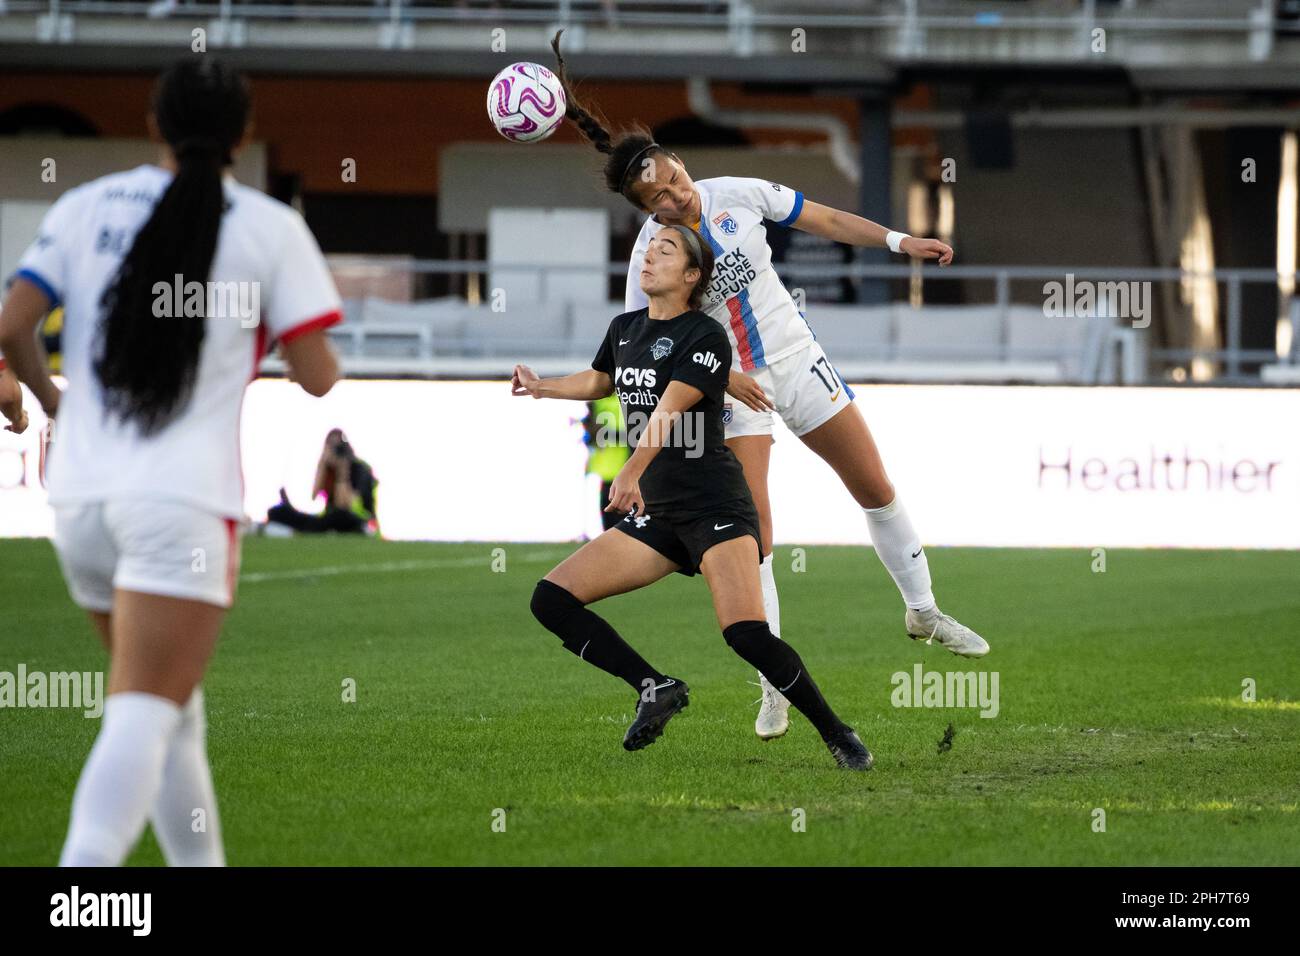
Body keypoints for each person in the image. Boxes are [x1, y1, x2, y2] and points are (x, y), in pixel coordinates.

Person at [550, 30, 988, 744]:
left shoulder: (738, 195)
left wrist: (901, 243)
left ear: (678, 159)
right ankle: (774, 687)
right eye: (656, 195)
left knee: (874, 486)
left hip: (797, 358)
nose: (672, 190)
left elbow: (826, 218)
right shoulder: (652, 259)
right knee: (753, 534)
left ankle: (923, 609)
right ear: (646, 209)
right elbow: (656, 352)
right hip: (730, 392)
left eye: (670, 173)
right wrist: (718, 383)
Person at [0, 57, 343, 866]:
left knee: (169, 709)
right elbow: (320, 376)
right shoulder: (266, 225)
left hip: (80, 499)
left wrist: (49, 403)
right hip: (180, 506)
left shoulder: (85, 205)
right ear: (244, 134)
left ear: (154, 123)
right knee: (144, 711)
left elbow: (14, 323)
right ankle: (82, 891)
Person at [513, 222, 872, 770]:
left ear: (691, 275)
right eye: (649, 249)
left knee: (746, 634)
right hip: (660, 517)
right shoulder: (624, 327)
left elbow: (669, 411)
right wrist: (542, 386)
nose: (650, 257)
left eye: (666, 250)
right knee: (551, 599)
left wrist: (631, 470)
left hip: (714, 507)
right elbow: (598, 380)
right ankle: (653, 686)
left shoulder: (703, 334)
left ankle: (836, 732)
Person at [266, 428, 379, 535]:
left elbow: (344, 505)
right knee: (277, 512)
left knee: (339, 516)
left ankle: (307, 529)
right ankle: (306, 528)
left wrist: (342, 472)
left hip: (357, 520)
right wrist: (322, 465)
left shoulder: (359, 468)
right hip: (329, 519)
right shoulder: (327, 468)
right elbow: (314, 496)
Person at [583, 393, 630, 530]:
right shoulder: (598, 399)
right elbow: (591, 436)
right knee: (611, 528)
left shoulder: (629, 397)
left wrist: (605, 433)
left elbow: (637, 434)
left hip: (627, 474)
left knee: (625, 529)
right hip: (607, 474)